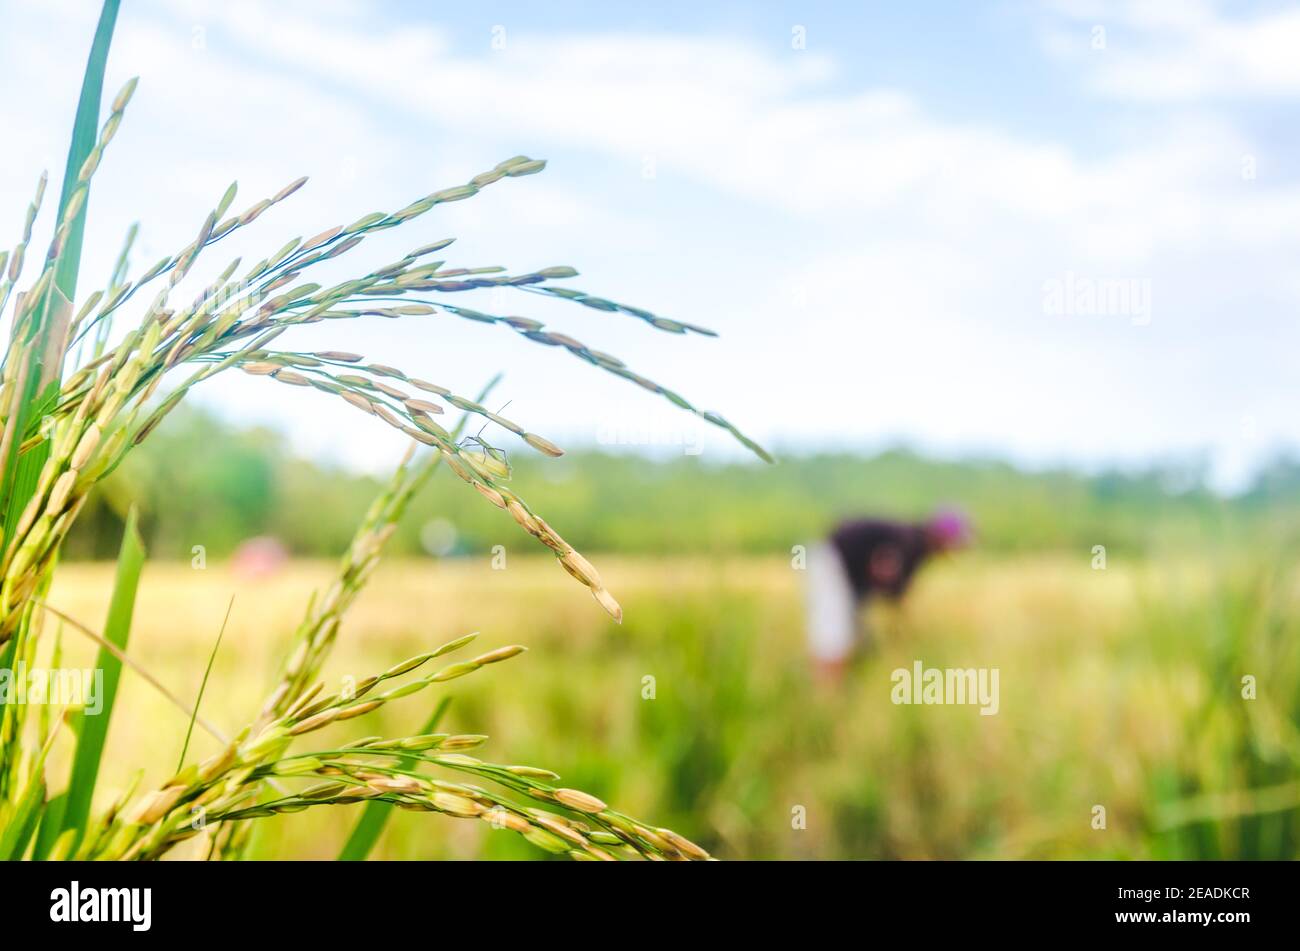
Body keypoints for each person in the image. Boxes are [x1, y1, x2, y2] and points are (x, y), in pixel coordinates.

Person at [804, 508, 971, 679]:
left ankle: (833, 686)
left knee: (851, 634)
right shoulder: (910, 542)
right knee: (834, 633)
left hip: (846, 571)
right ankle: (826, 692)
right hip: (831, 561)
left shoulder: (915, 543)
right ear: (942, 537)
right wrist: (900, 621)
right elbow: (884, 572)